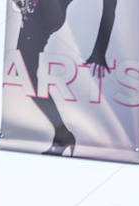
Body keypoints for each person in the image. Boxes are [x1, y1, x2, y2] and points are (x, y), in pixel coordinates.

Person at [13, 0, 119, 155]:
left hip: (45, 14)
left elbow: (109, 9)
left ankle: (62, 133)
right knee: (24, 74)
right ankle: (62, 134)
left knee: (24, 74)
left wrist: (100, 50)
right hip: (38, 13)